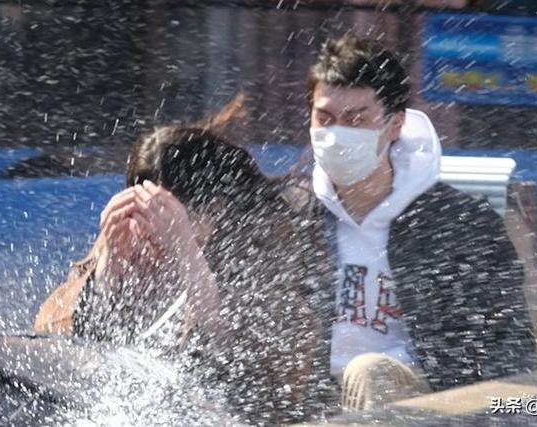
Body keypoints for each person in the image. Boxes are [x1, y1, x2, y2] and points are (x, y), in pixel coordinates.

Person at [282, 34, 537, 411]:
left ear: (395, 125)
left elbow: (507, 350)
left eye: (356, 119)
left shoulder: (458, 224)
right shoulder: (295, 216)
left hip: (425, 403)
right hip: (320, 406)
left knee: (370, 373)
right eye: (325, 118)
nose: (337, 134)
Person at [33, 100, 334, 424]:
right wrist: (105, 280)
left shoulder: (258, 253)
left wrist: (193, 271)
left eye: (167, 218)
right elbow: (50, 351)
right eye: (144, 215)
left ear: (213, 214)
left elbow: (268, 401)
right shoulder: (123, 237)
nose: (149, 236)